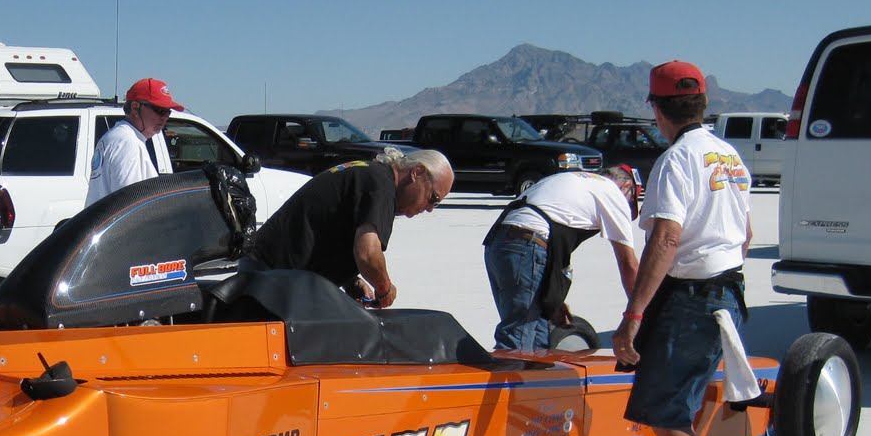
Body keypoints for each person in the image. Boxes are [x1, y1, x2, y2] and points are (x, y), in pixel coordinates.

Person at [613, 60, 753, 436]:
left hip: (691, 299)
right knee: (681, 403)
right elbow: (747, 234)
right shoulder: (729, 156)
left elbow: (667, 237)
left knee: (665, 408)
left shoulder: (677, 159)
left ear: (657, 108)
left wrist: (634, 314)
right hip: (727, 294)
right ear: (702, 103)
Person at [243, 148, 453, 307]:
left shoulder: (371, 175)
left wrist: (350, 280)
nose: (430, 209)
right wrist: (384, 288)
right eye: (433, 198)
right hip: (274, 280)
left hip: (270, 272)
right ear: (417, 172)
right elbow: (368, 253)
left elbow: (327, 230)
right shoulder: (381, 187)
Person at [482, 166, 642, 350]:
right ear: (627, 186)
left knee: (537, 337)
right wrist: (639, 314)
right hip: (528, 245)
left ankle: (536, 376)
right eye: (631, 201)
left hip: (501, 243)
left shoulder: (574, 180)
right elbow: (628, 263)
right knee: (520, 336)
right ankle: (510, 376)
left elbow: (554, 236)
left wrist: (553, 299)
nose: (628, 207)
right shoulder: (613, 193)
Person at [84, 77, 183, 207]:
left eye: (168, 112)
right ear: (135, 108)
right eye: (160, 110)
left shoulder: (115, 136)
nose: (164, 117)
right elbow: (130, 206)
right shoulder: (128, 143)